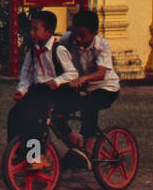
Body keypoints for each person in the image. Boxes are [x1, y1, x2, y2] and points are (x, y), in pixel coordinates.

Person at [52, 9, 120, 165]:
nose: (77, 38)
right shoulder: (67, 39)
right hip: (81, 86)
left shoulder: (102, 46)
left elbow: (101, 73)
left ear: (95, 33)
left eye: (82, 35)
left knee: (89, 106)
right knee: (56, 112)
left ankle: (88, 149)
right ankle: (75, 142)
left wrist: (83, 78)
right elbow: (55, 51)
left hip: (106, 88)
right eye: (75, 33)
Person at [9, 10, 77, 165]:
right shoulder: (32, 51)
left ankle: (38, 155)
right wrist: (21, 90)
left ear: (49, 32)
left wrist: (57, 81)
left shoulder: (58, 50)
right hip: (38, 90)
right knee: (14, 114)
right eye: (31, 29)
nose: (32, 33)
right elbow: (26, 75)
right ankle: (18, 152)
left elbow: (72, 73)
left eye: (36, 29)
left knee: (35, 118)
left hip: (56, 92)